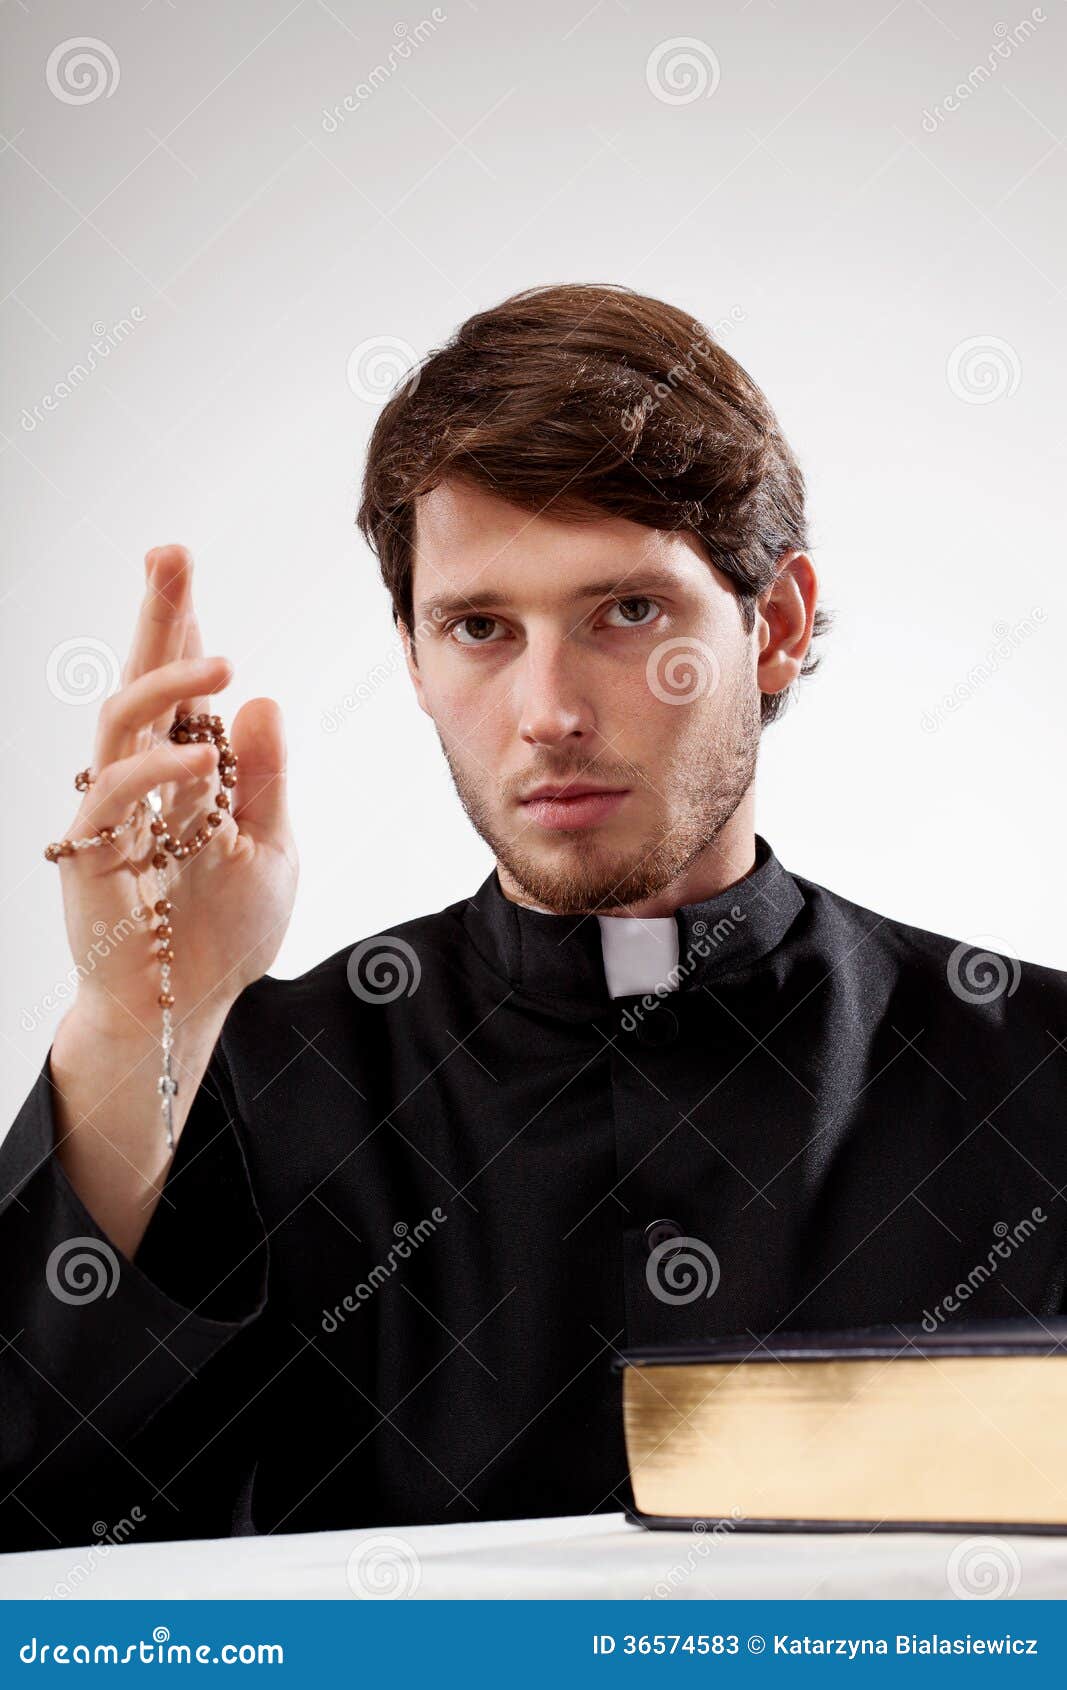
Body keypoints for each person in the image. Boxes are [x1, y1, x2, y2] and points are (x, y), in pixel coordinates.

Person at [2, 283, 1064, 1554]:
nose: (548, 710)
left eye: (627, 612)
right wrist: (132, 1021)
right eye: (480, 627)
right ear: (412, 657)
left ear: (771, 627)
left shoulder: (1037, 1071)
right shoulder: (238, 1084)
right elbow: (40, 1524)